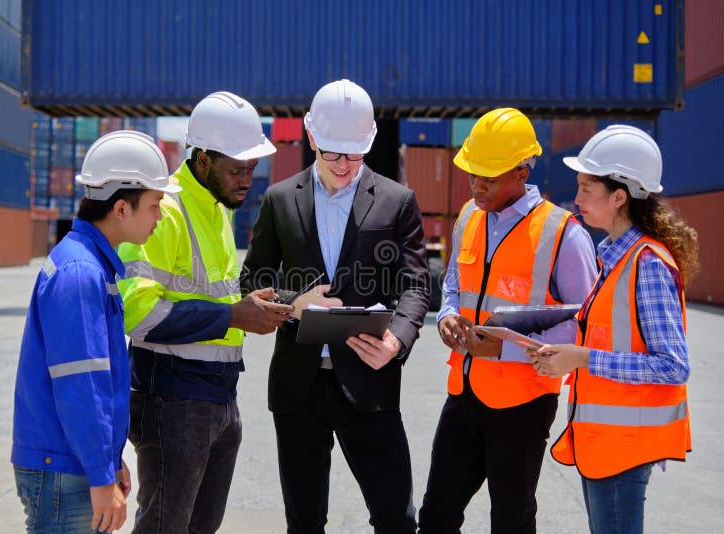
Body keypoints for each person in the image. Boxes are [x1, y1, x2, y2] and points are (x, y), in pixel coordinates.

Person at [240, 79, 430, 533]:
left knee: (396, 519)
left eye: (355, 154)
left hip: (371, 378)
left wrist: (397, 341)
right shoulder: (280, 199)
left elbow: (417, 284)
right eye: (332, 153)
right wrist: (294, 303)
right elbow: (254, 279)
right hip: (298, 386)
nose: (344, 165)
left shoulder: (397, 201)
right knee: (304, 522)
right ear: (311, 139)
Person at [117, 91, 292, 533]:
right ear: (202, 160)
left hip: (219, 398)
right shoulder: (165, 211)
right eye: (237, 169)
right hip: (173, 403)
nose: (246, 180)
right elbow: (136, 314)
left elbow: (212, 296)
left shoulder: (216, 209)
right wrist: (234, 316)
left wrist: (255, 308)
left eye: (252, 170)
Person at [418, 108, 598, 533]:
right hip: (464, 392)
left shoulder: (562, 234)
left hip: (523, 403)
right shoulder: (468, 217)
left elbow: (587, 325)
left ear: (521, 172)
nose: (477, 186)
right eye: (472, 175)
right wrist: (445, 315)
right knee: (436, 515)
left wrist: (505, 348)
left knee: (511, 521)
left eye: (489, 178)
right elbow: (454, 284)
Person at [529, 125, 697, 534]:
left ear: (619, 196)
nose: (578, 198)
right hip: (605, 443)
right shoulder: (615, 259)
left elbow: (673, 365)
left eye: (587, 188)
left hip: (627, 448)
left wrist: (583, 358)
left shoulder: (648, 264)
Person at [11, 130, 181, 533]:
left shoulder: (91, 266)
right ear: (121, 208)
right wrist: (100, 476)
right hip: (64, 469)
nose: (160, 217)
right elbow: (81, 385)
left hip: (72, 462)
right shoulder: (80, 274)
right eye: (155, 206)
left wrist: (108, 459)